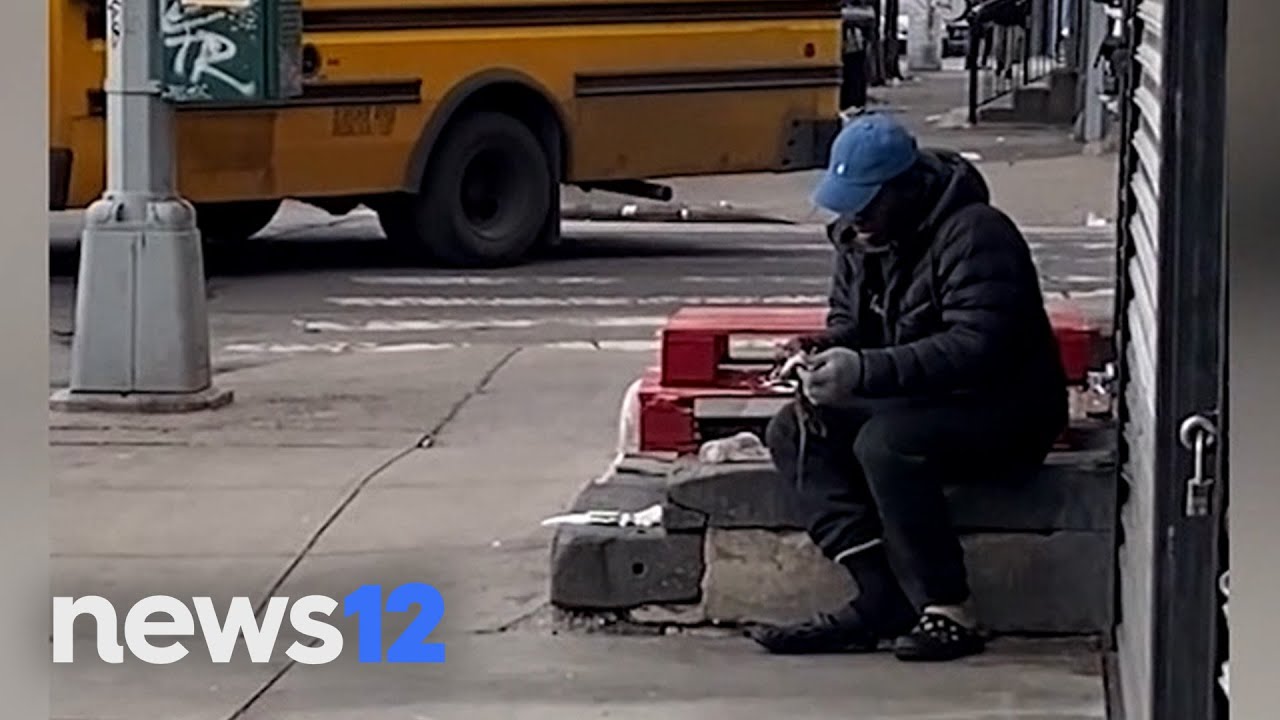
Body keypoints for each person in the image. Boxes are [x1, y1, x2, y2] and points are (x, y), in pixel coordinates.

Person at [746, 113, 1068, 662]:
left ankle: (948, 607)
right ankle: (879, 596)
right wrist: (820, 349)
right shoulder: (856, 238)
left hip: (1005, 408)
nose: (858, 217)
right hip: (921, 395)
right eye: (849, 203)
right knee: (797, 429)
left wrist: (863, 372)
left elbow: (977, 347)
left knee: (888, 443)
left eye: (870, 203)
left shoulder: (977, 233)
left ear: (908, 187)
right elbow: (852, 323)